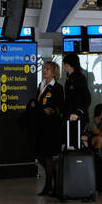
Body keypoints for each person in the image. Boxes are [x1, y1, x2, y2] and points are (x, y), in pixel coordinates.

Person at [24, 60, 64, 196]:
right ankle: (52, 180)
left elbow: (59, 106)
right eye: (44, 69)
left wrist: (52, 110)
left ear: (53, 73)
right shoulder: (41, 86)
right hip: (39, 125)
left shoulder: (57, 88)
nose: (44, 71)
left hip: (50, 127)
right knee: (40, 155)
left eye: (47, 69)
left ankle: (49, 185)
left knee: (48, 156)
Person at [62, 53, 91, 128]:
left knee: (75, 138)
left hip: (77, 116)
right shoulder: (69, 78)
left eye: (63, 64)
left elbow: (86, 98)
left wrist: (78, 112)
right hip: (69, 115)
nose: (63, 67)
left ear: (67, 65)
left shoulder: (79, 78)